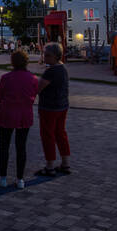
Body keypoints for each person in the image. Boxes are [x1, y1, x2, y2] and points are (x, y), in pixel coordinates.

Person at [0, 50, 38, 189]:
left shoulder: (6, 78)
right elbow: (33, 95)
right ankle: (20, 179)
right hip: (24, 115)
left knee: (4, 146)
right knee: (21, 147)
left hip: (6, 114)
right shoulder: (33, 78)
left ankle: (3, 178)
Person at [35, 42, 72, 176]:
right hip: (62, 106)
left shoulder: (51, 71)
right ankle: (65, 163)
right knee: (60, 134)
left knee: (48, 136)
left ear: (56, 56)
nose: (45, 57)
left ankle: (50, 166)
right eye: (45, 54)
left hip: (49, 108)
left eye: (48, 55)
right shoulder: (63, 68)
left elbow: (38, 88)